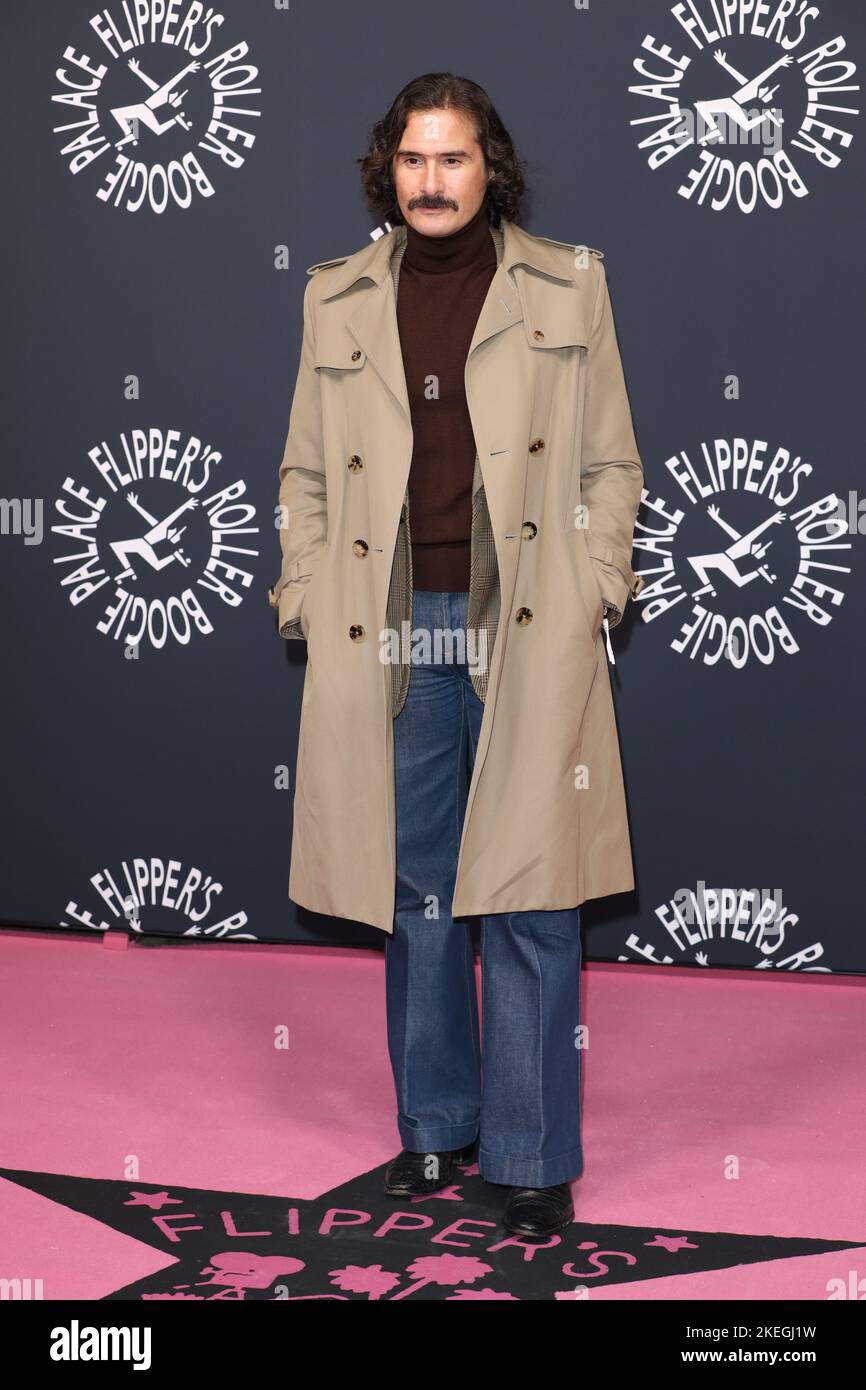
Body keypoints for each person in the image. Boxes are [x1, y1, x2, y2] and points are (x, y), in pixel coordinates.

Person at [269, 73, 645, 1238]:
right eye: (414, 160)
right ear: (388, 168)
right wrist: (304, 586)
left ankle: (530, 1154)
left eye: (455, 159)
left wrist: (594, 585)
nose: (433, 181)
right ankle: (434, 1127)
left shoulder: (567, 282)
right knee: (418, 888)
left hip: (525, 626)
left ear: (493, 168)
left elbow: (607, 466)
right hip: (389, 626)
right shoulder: (334, 299)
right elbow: (304, 473)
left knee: (531, 897)